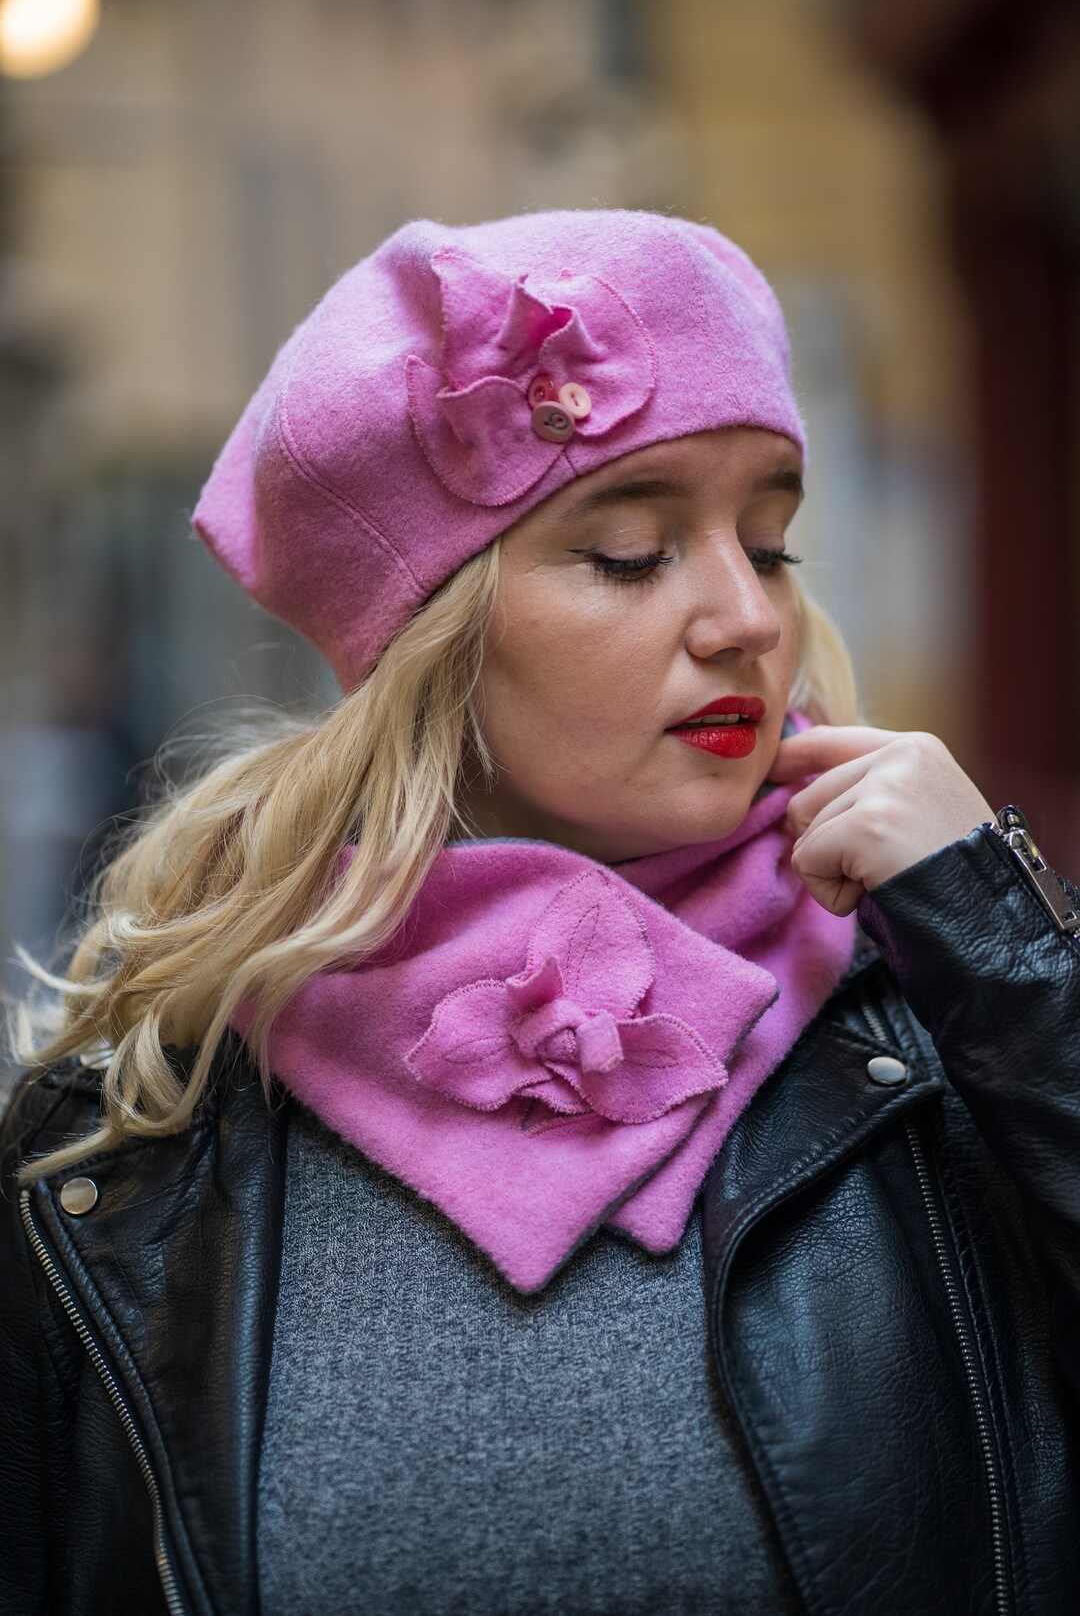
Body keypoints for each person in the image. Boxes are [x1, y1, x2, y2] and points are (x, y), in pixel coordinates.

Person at [2, 209, 1078, 1616]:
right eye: (632, 551)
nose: (744, 616)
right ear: (423, 646)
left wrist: (1006, 953)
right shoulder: (132, 1146)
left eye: (769, 544)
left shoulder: (944, 1017)